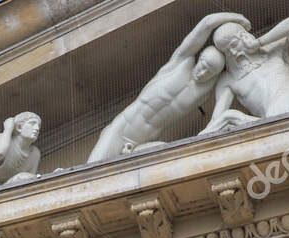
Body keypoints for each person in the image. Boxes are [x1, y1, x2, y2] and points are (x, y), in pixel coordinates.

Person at [87, 12, 251, 162]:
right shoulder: (180, 64)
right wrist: (238, 19)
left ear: (215, 75)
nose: (203, 72)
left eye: (209, 72)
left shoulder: (204, 92)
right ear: (200, 57)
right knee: (90, 176)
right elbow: (206, 24)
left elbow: (237, 77)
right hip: (121, 133)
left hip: (141, 146)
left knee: (174, 160)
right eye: (203, 65)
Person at [200, 19, 289, 132]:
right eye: (227, 52)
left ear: (244, 36)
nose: (234, 53)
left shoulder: (272, 48)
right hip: (275, 117)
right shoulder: (229, 79)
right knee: (229, 116)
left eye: (234, 45)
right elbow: (215, 123)